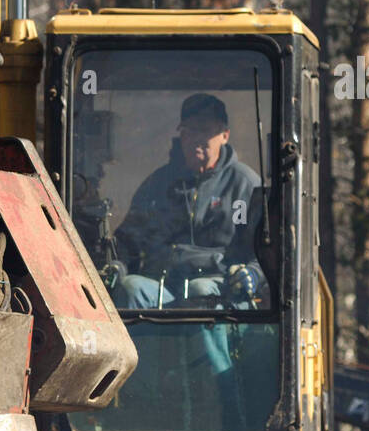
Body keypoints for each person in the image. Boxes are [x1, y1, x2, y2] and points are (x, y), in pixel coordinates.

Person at [113, 92, 266, 312]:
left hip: (220, 287)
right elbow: (129, 239)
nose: (195, 138)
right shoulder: (158, 184)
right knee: (132, 288)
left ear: (224, 135)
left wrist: (253, 273)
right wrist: (118, 265)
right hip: (165, 286)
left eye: (204, 130)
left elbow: (265, 252)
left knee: (200, 292)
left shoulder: (245, 184)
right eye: (188, 131)